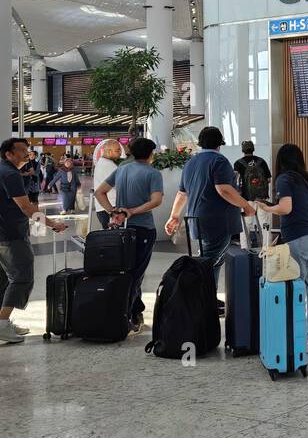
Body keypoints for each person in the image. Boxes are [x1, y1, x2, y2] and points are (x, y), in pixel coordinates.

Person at [0, 138, 68, 344]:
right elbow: (27, 208)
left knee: (2, 278)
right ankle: (1, 324)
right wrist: (52, 224)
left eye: (27, 150)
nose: (26, 153)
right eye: (21, 150)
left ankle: (1, 322)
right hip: (11, 234)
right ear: (8, 154)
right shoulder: (10, 174)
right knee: (22, 276)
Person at [164, 127, 255, 286]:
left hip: (196, 220)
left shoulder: (191, 162)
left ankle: (208, 299)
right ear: (220, 143)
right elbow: (224, 190)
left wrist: (174, 216)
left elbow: (182, 193)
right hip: (217, 221)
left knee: (212, 261)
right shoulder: (219, 161)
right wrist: (246, 206)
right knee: (208, 263)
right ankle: (201, 301)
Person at [258, 143, 308, 349]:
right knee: (305, 286)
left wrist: (267, 207)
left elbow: (286, 208)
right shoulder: (304, 180)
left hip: (299, 237)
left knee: (297, 287)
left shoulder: (284, 179)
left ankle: (302, 338)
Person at [96, 137, 163, 334]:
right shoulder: (152, 173)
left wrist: (113, 211)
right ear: (150, 155)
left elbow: (100, 192)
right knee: (135, 275)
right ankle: (124, 317)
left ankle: (128, 313)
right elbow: (156, 200)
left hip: (122, 230)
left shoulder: (122, 169)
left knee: (125, 271)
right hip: (142, 228)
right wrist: (133, 211)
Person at [91, 139, 122, 230]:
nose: (120, 153)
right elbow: (120, 186)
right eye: (117, 150)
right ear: (108, 151)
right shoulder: (109, 166)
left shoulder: (103, 163)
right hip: (110, 207)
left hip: (104, 208)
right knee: (116, 239)